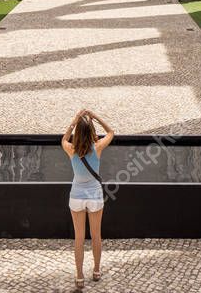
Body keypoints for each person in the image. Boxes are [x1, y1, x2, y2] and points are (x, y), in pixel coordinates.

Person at [61, 108, 115, 288]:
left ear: (78, 131)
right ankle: (97, 270)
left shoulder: (71, 149)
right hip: (95, 196)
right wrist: (95, 117)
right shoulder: (97, 147)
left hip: (76, 195)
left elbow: (63, 138)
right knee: (96, 235)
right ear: (91, 131)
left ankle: (79, 276)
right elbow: (111, 132)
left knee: (79, 238)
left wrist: (75, 120)